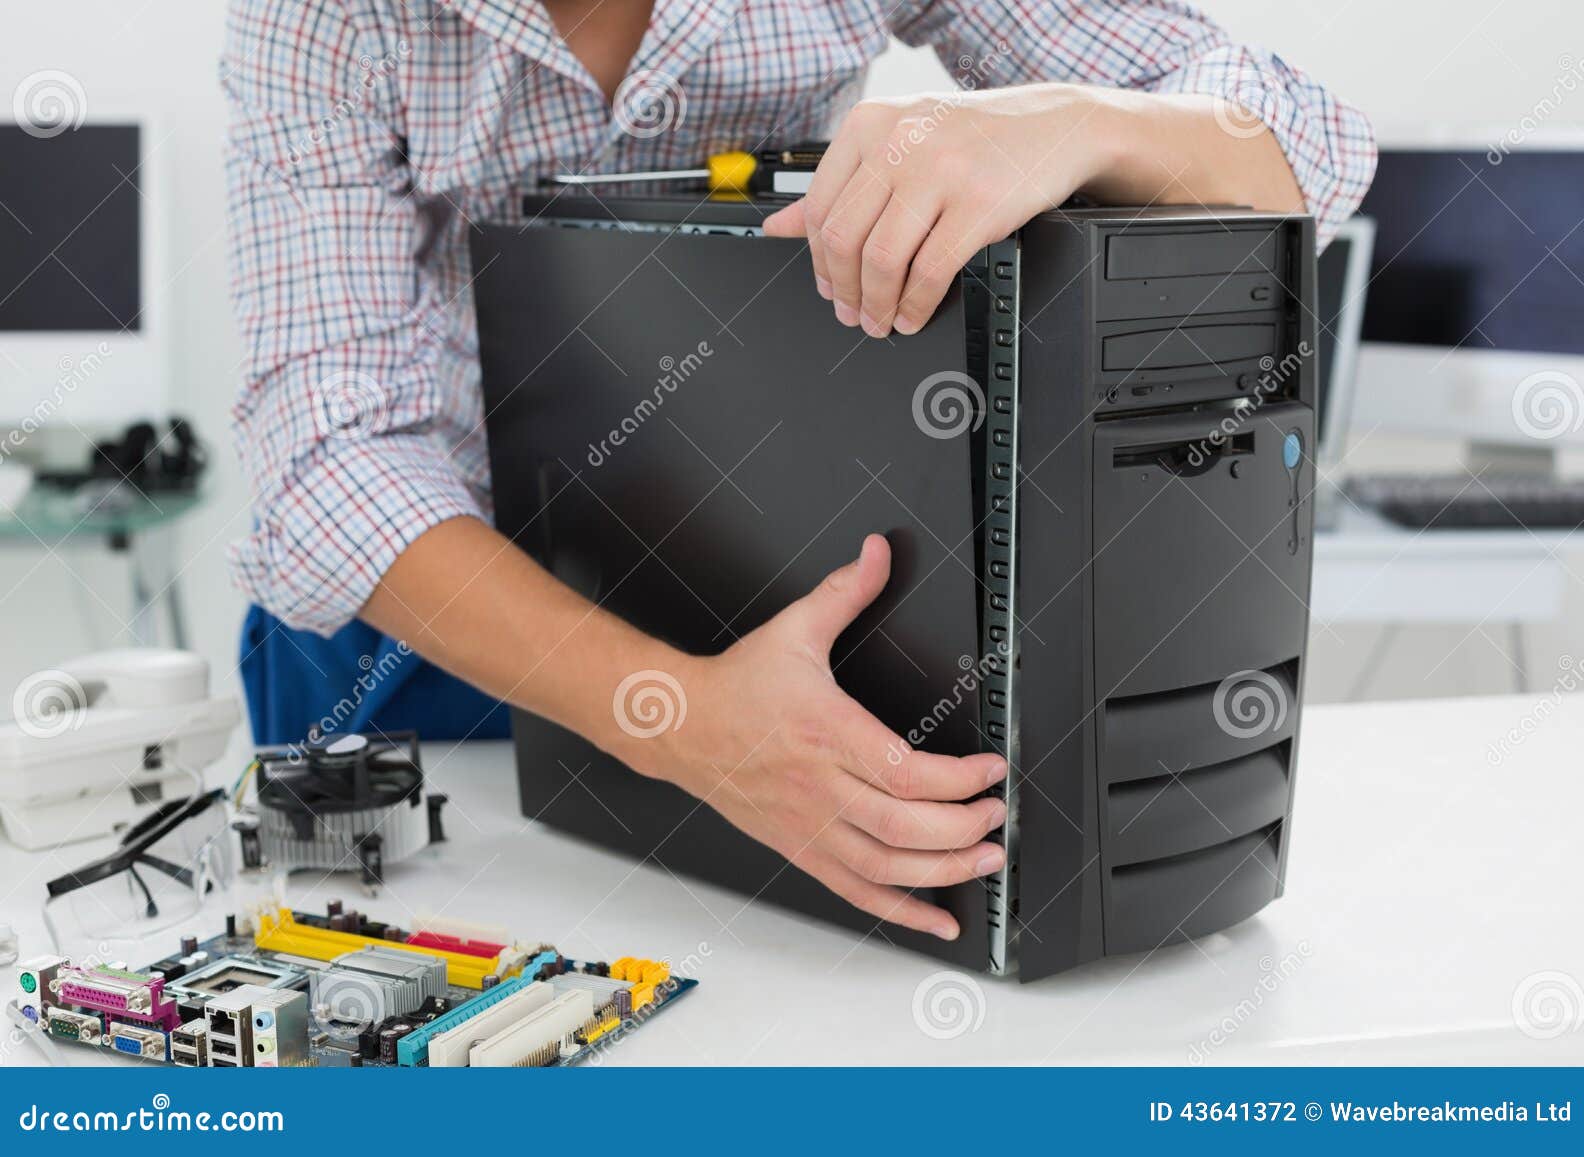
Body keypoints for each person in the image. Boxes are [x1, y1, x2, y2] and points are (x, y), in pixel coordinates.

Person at [222, 0, 1375, 942]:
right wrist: (686, 722)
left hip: (761, 600)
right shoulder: (326, 16)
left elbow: (1310, 147)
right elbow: (328, 462)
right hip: (434, 634)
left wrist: (1081, 124)